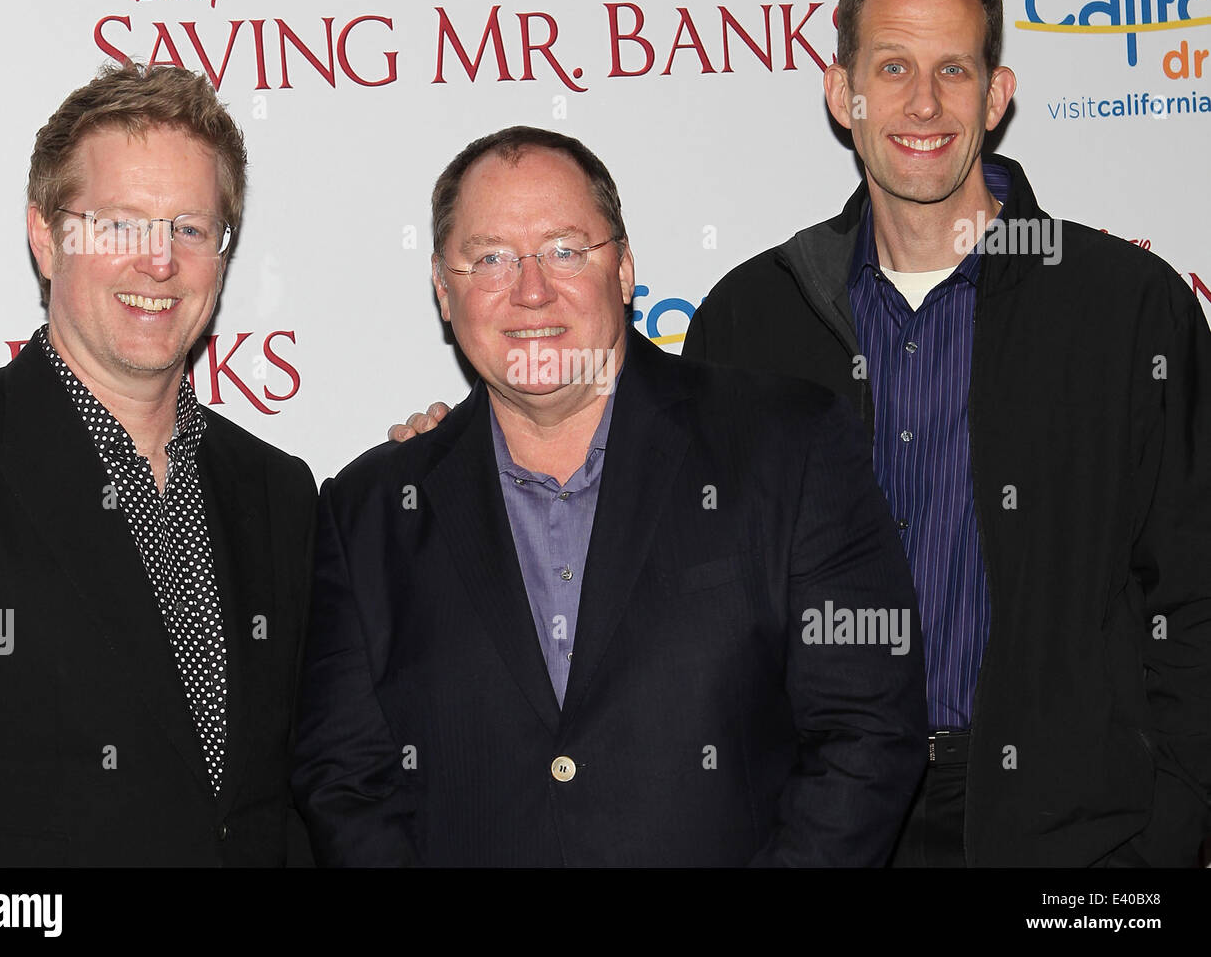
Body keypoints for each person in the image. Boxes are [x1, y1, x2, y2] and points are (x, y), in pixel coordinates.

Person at [682, 0, 1211, 866]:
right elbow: (691, 591)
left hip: (1077, 835)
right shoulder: (752, 318)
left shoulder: (1127, 307)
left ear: (995, 95)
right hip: (830, 829)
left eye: (951, 70)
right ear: (840, 92)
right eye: (891, 67)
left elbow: (1196, 590)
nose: (922, 104)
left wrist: (1166, 828)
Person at [292, 125, 926, 867]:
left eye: (565, 249)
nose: (530, 290)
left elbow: (868, 729)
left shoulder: (787, 446)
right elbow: (346, 781)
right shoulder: (369, 513)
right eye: (489, 258)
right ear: (443, 288)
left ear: (623, 270)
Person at [0, 62, 316, 866]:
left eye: (189, 229)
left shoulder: (279, 493)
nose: (158, 263)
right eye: (120, 226)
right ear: (46, 238)